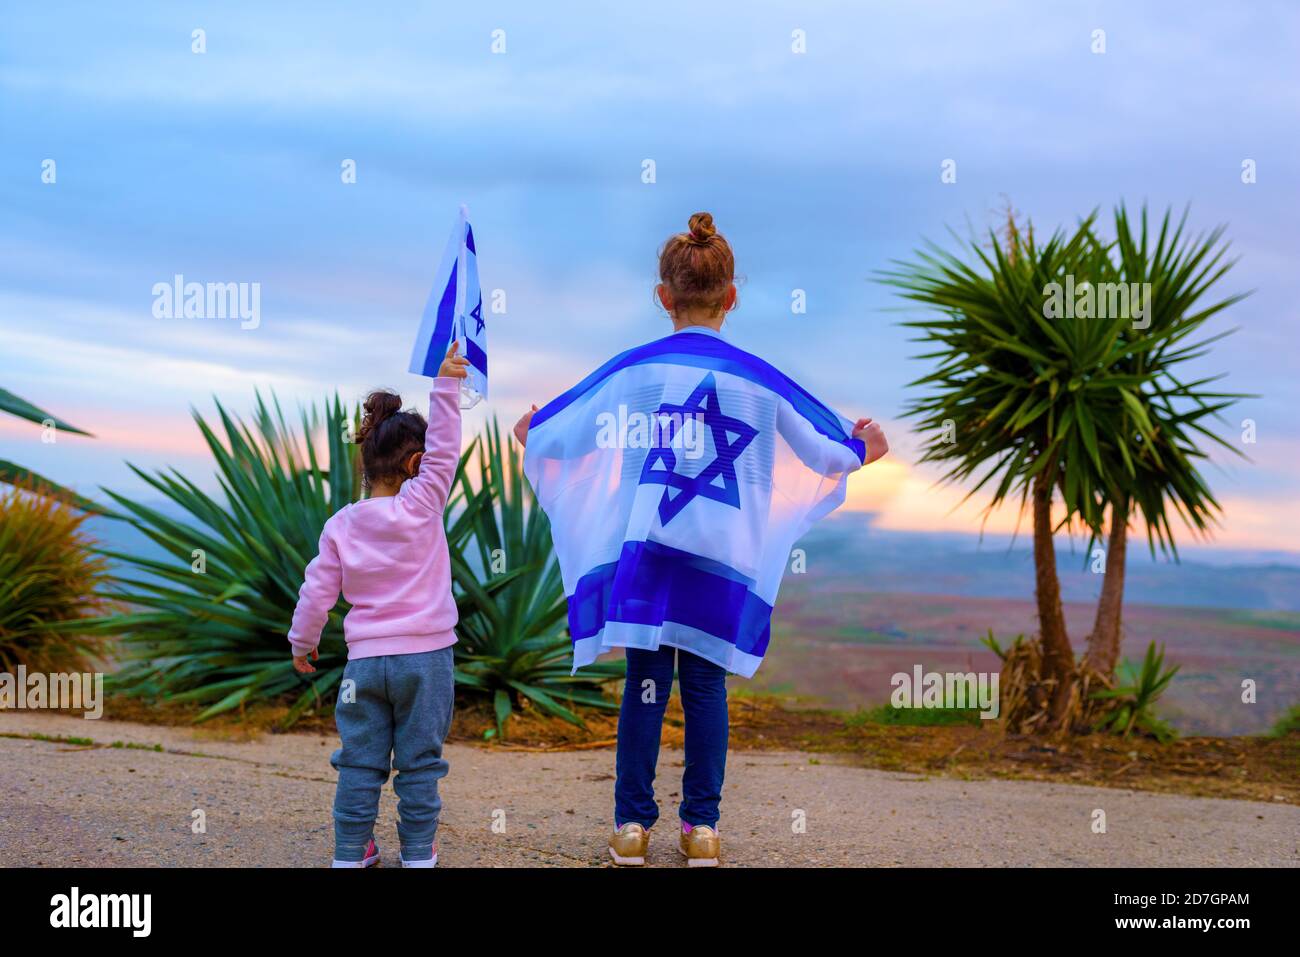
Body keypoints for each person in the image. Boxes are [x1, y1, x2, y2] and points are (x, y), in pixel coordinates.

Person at [514, 213, 888, 866]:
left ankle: (632, 828)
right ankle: (701, 829)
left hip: (648, 555)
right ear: (732, 297)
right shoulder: (761, 380)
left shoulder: (635, 372)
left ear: (664, 297)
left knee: (644, 683)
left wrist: (534, 433)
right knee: (707, 688)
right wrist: (863, 448)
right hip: (723, 559)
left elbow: (574, 432)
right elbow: (820, 449)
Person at [288, 343, 468, 868]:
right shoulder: (423, 502)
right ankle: (417, 853)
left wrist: (303, 644)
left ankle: (351, 852)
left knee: (360, 763)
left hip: (363, 664)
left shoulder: (341, 523)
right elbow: (448, 450)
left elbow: (315, 593)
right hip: (427, 662)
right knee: (419, 764)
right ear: (417, 464)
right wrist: (446, 385)